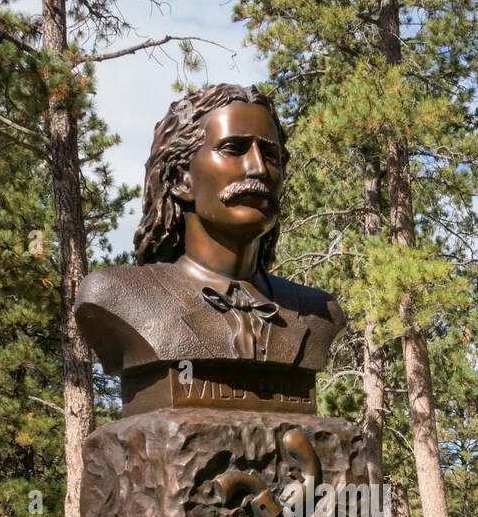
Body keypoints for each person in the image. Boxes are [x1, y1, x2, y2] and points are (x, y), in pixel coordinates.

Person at [75, 84, 345, 377]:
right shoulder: (117, 295)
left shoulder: (318, 312)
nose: (258, 169)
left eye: (271, 155)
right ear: (181, 179)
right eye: (233, 149)